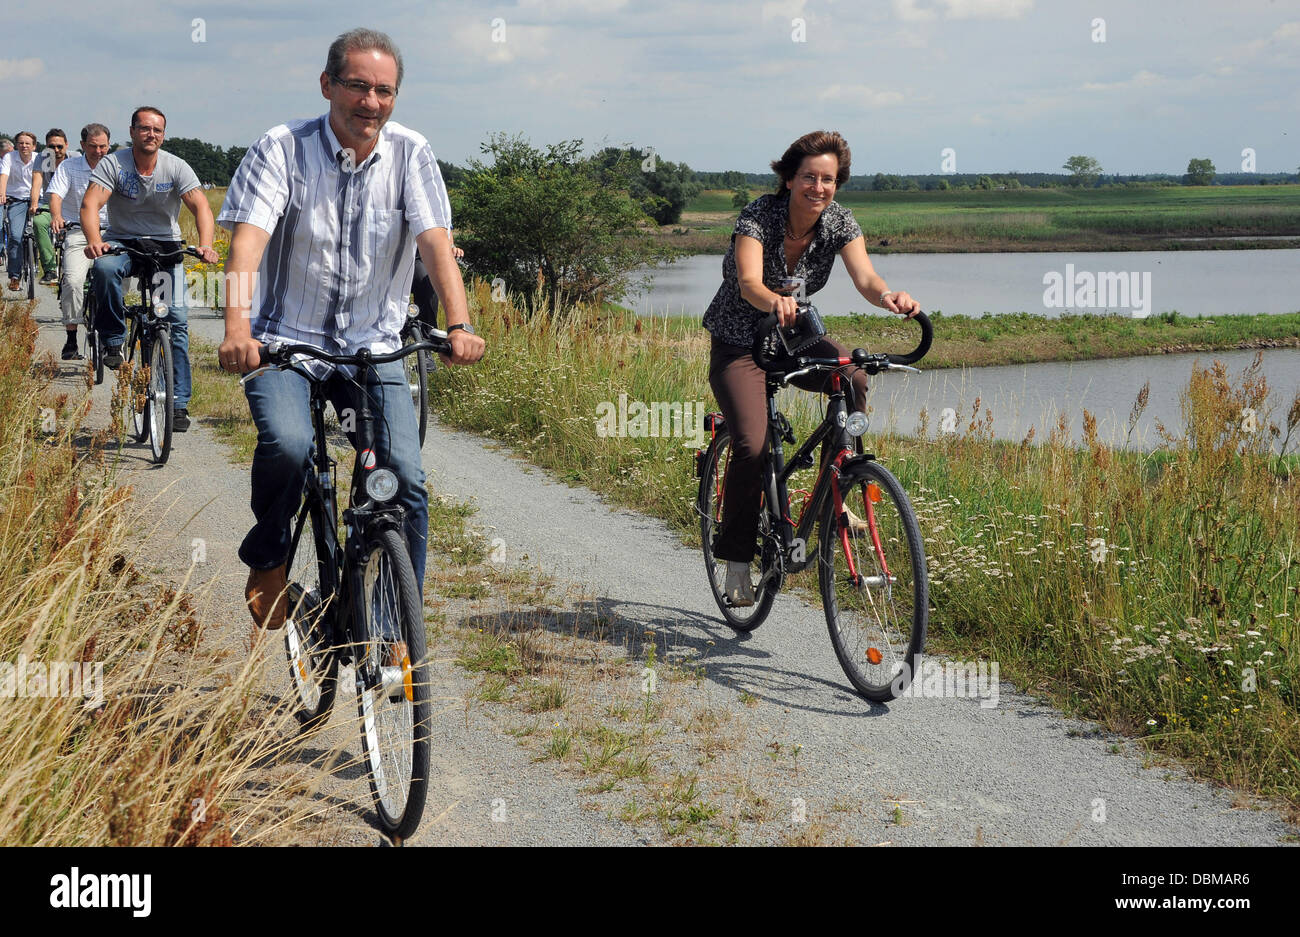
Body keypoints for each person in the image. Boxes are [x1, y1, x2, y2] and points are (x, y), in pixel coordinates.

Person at [217, 27, 484, 632]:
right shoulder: (282, 148)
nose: (371, 102)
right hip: (286, 341)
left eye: (384, 91)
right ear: (327, 85)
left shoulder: (411, 153)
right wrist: (238, 326)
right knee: (288, 446)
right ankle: (268, 555)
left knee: (405, 484)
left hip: (376, 345)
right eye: (358, 86)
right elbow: (247, 244)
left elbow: (436, 244)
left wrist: (459, 324)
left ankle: (394, 629)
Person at [702, 130, 921, 607]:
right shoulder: (759, 214)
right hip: (740, 343)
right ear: (789, 179)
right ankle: (738, 559)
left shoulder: (839, 221)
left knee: (853, 376)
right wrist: (775, 300)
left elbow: (865, 277)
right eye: (809, 177)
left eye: (828, 179)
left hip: (793, 336)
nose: (818, 187)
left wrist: (889, 297)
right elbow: (747, 283)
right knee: (753, 445)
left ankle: (831, 495)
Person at [81, 106, 220, 432]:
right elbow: (90, 204)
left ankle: (179, 404)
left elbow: (200, 205)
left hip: (164, 249)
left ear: (163, 134)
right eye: (144, 128)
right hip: (122, 243)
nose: (151, 134)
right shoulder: (113, 163)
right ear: (132, 132)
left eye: (157, 130)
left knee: (177, 323)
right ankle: (113, 340)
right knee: (103, 269)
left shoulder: (175, 166)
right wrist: (93, 240)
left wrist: (206, 243)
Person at [47, 123, 111, 359]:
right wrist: (56, 215)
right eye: (93, 146)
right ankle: (72, 336)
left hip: (111, 232)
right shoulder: (69, 167)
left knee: (117, 282)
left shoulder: (117, 167)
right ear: (83, 145)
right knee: (73, 281)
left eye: (103, 146)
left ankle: (113, 335)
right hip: (79, 231)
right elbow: (55, 194)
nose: (98, 151)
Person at [30, 128, 70, 285]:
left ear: (66, 145)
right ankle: (50, 269)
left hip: (70, 203)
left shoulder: (75, 157)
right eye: (51, 147)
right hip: (48, 203)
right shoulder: (43, 158)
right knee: (38, 222)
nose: (56, 150)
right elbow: (37, 182)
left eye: (59, 146)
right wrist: (34, 204)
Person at [0, 131, 38, 291]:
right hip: (16, 199)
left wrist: (36, 201)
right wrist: (2, 193)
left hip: (38, 199)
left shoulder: (39, 158)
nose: (24, 146)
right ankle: (15, 276)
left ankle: (48, 268)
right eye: (21, 143)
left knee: (42, 231)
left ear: (34, 146)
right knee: (15, 236)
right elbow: (4, 175)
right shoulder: (9, 157)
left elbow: (40, 179)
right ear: (16, 145)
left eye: (27, 143)